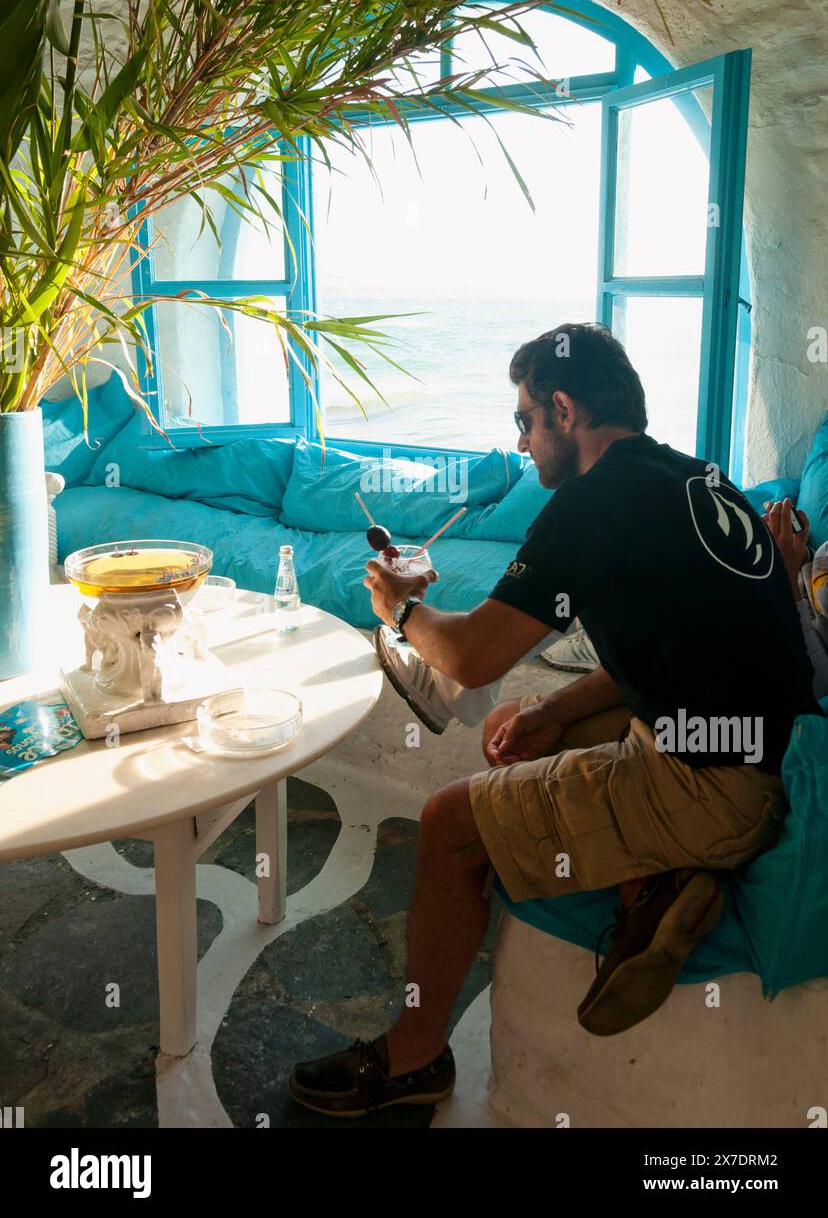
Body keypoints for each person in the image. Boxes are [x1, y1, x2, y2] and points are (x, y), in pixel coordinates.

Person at [288, 323, 822, 1119]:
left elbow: (468, 657)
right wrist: (551, 708)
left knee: (448, 825)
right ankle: (658, 879)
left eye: (525, 422)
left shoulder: (593, 502)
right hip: (759, 757)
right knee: (514, 725)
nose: (522, 442)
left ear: (564, 410)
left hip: (710, 788)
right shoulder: (699, 482)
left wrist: (402, 608)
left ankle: (414, 1058)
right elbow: (671, 652)